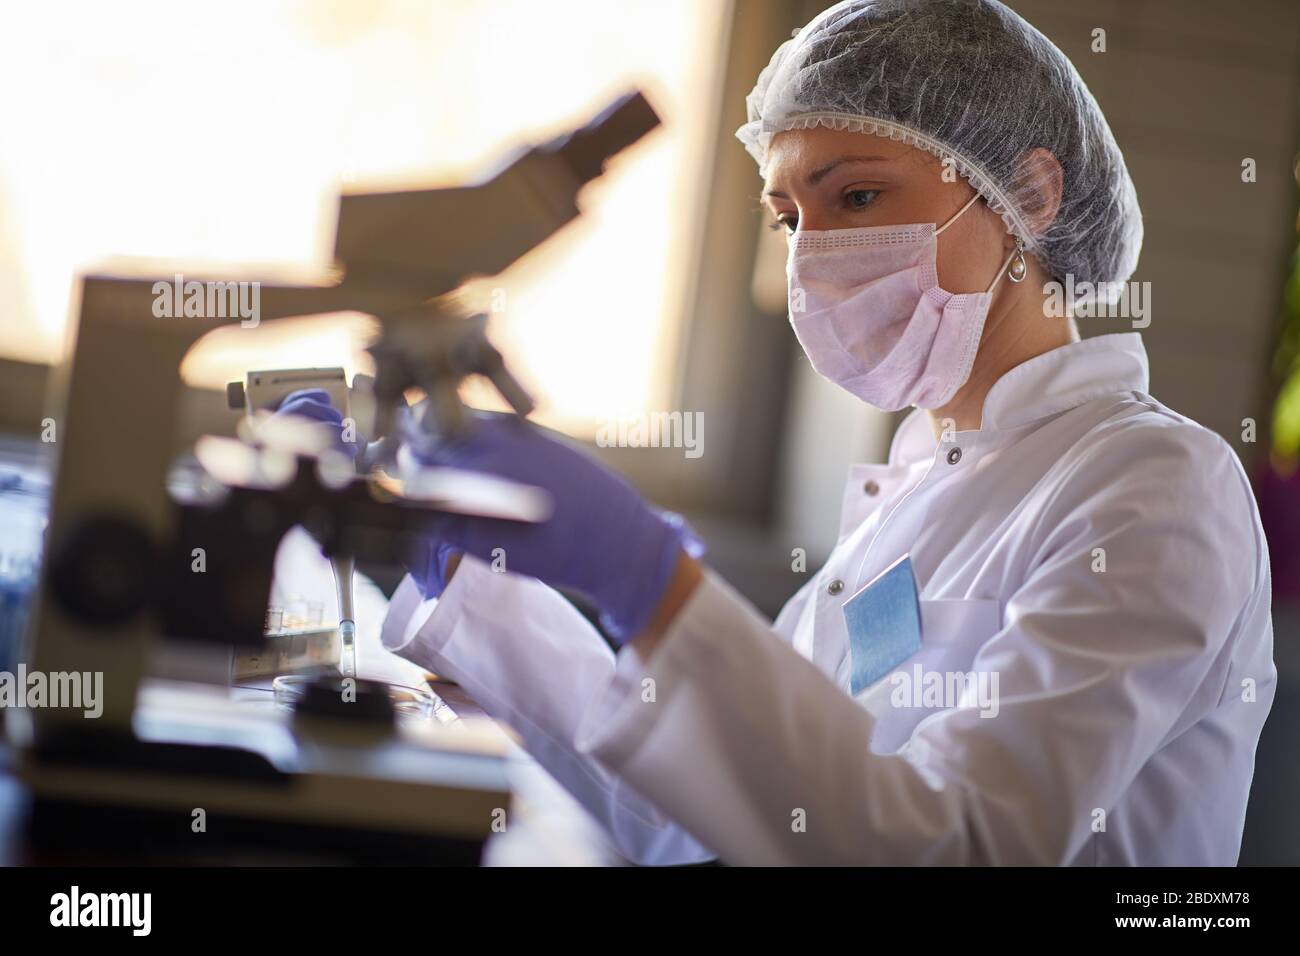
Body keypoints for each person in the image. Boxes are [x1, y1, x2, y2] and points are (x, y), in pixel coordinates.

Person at [283, 0, 1275, 865]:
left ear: (1033, 194)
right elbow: (695, 821)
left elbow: (966, 846)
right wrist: (462, 572)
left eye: (857, 195)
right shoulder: (923, 485)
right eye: (787, 214)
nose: (816, 255)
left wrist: (652, 579)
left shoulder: (1154, 481)